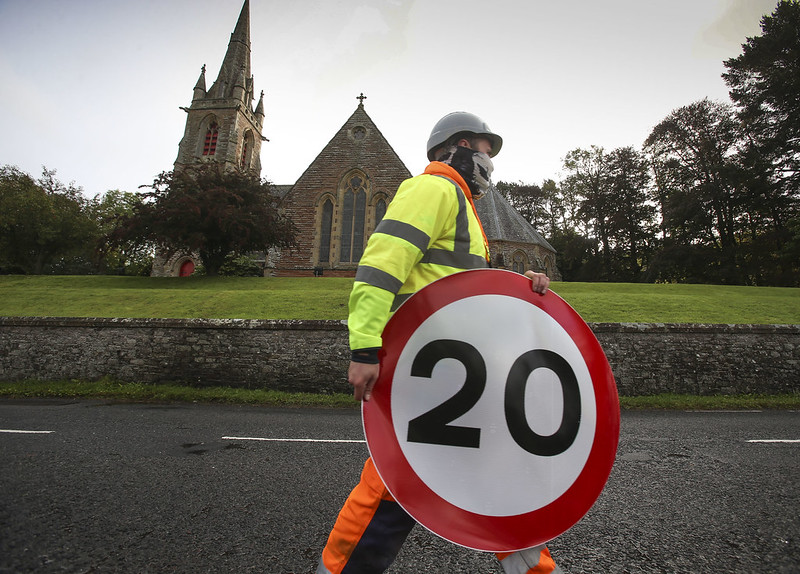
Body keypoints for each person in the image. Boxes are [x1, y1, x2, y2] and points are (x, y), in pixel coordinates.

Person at [317, 112, 560, 574]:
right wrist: (364, 348)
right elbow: (379, 266)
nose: (490, 161)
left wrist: (515, 284)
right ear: (462, 146)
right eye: (487, 150)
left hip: (462, 369)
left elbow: (457, 280)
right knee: (395, 486)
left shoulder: (463, 204)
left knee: (500, 477)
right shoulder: (433, 188)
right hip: (429, 369)